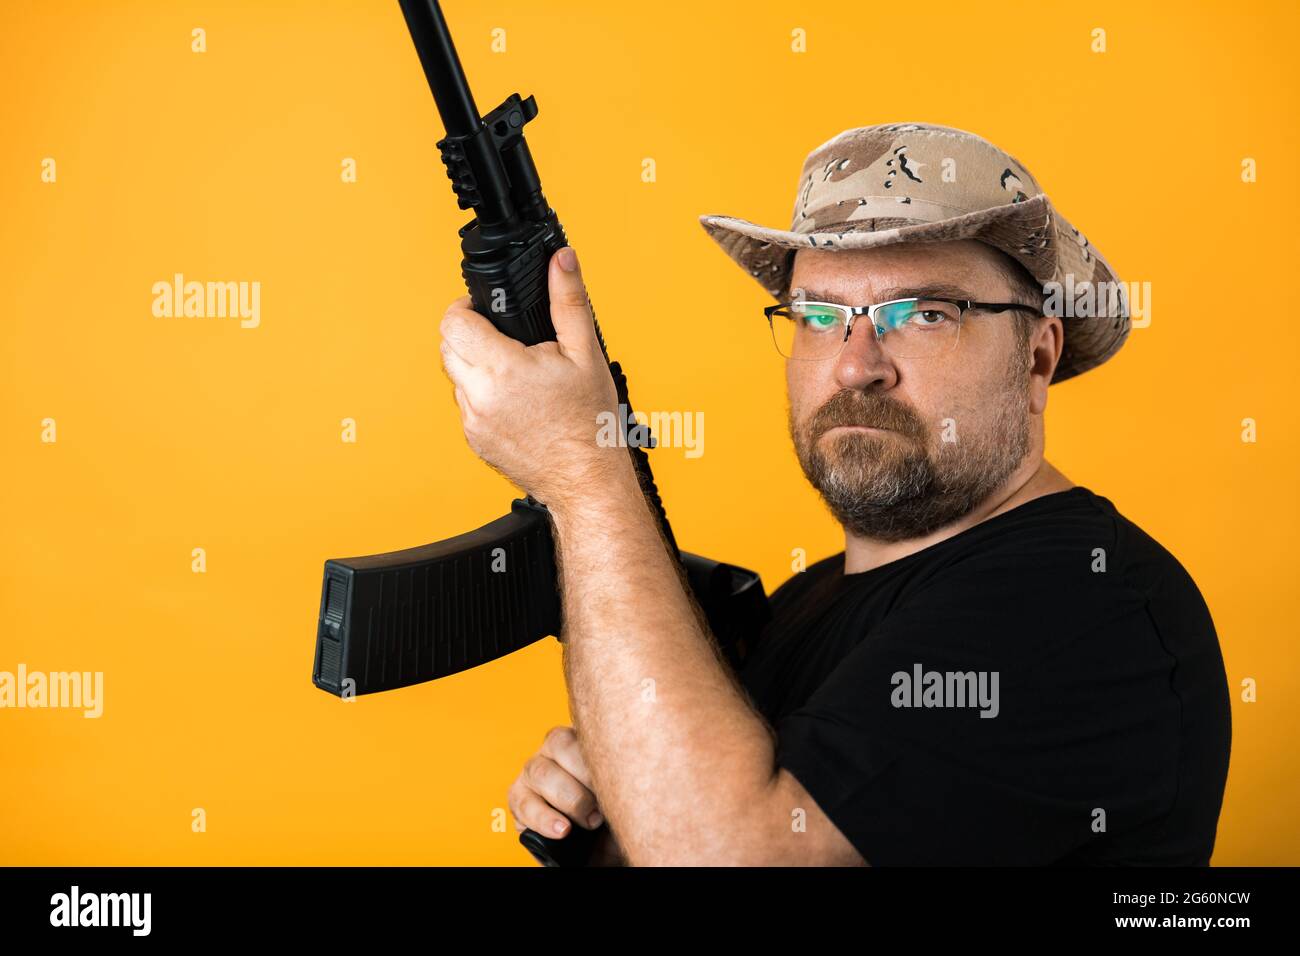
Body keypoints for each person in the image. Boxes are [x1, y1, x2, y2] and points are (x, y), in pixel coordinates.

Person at [442, 123, 1232, 865]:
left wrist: (585, 468)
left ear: (1037, 357)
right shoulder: (808, 602)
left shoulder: (1081, 604)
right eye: (820, 315)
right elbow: (709, 826)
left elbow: (731, 858)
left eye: (924, 313)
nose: (857, 365)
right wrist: (628, 803)